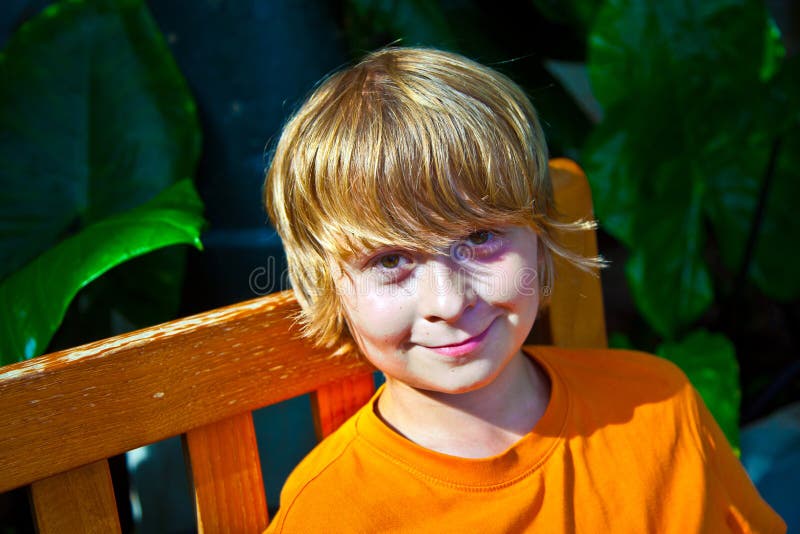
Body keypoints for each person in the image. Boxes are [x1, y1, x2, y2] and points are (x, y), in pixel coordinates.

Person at [262, 47, 785, 532]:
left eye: (481, 236)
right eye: (391, 260)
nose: (448, 302)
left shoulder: (659, 407)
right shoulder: (330, 514)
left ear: (540, 237)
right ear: (325, 284)